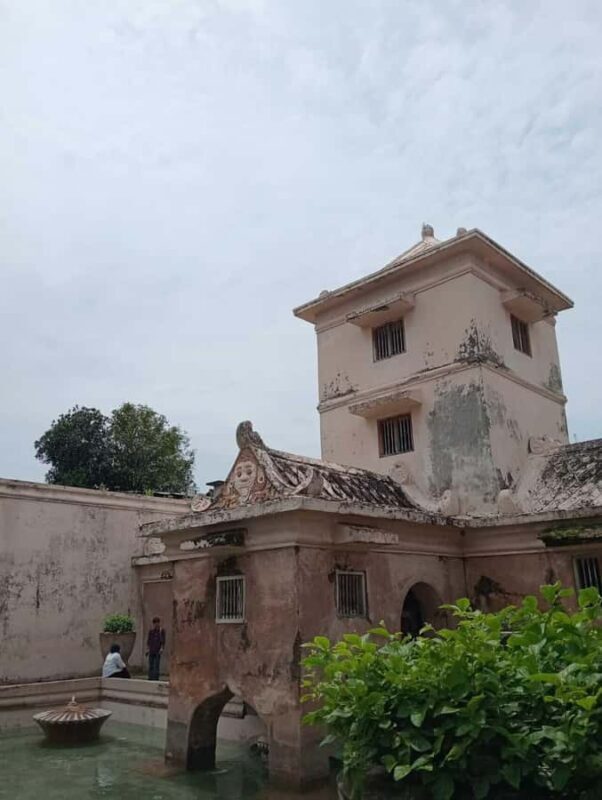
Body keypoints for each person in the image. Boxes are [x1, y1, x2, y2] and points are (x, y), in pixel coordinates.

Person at [146, 616, 166, 681]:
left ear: (159, 623)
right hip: (152, 649)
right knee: (151, 664)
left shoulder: (161, 631)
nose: (156, 624)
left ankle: (156, 677)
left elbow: (163, 641)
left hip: (157, 650)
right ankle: (150, 677)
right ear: (153, 624)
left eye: (157, 623)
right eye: (155, 623)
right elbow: (149, 641)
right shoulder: (151, 631)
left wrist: (162, 648)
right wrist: (148, 649)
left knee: (156, 665)